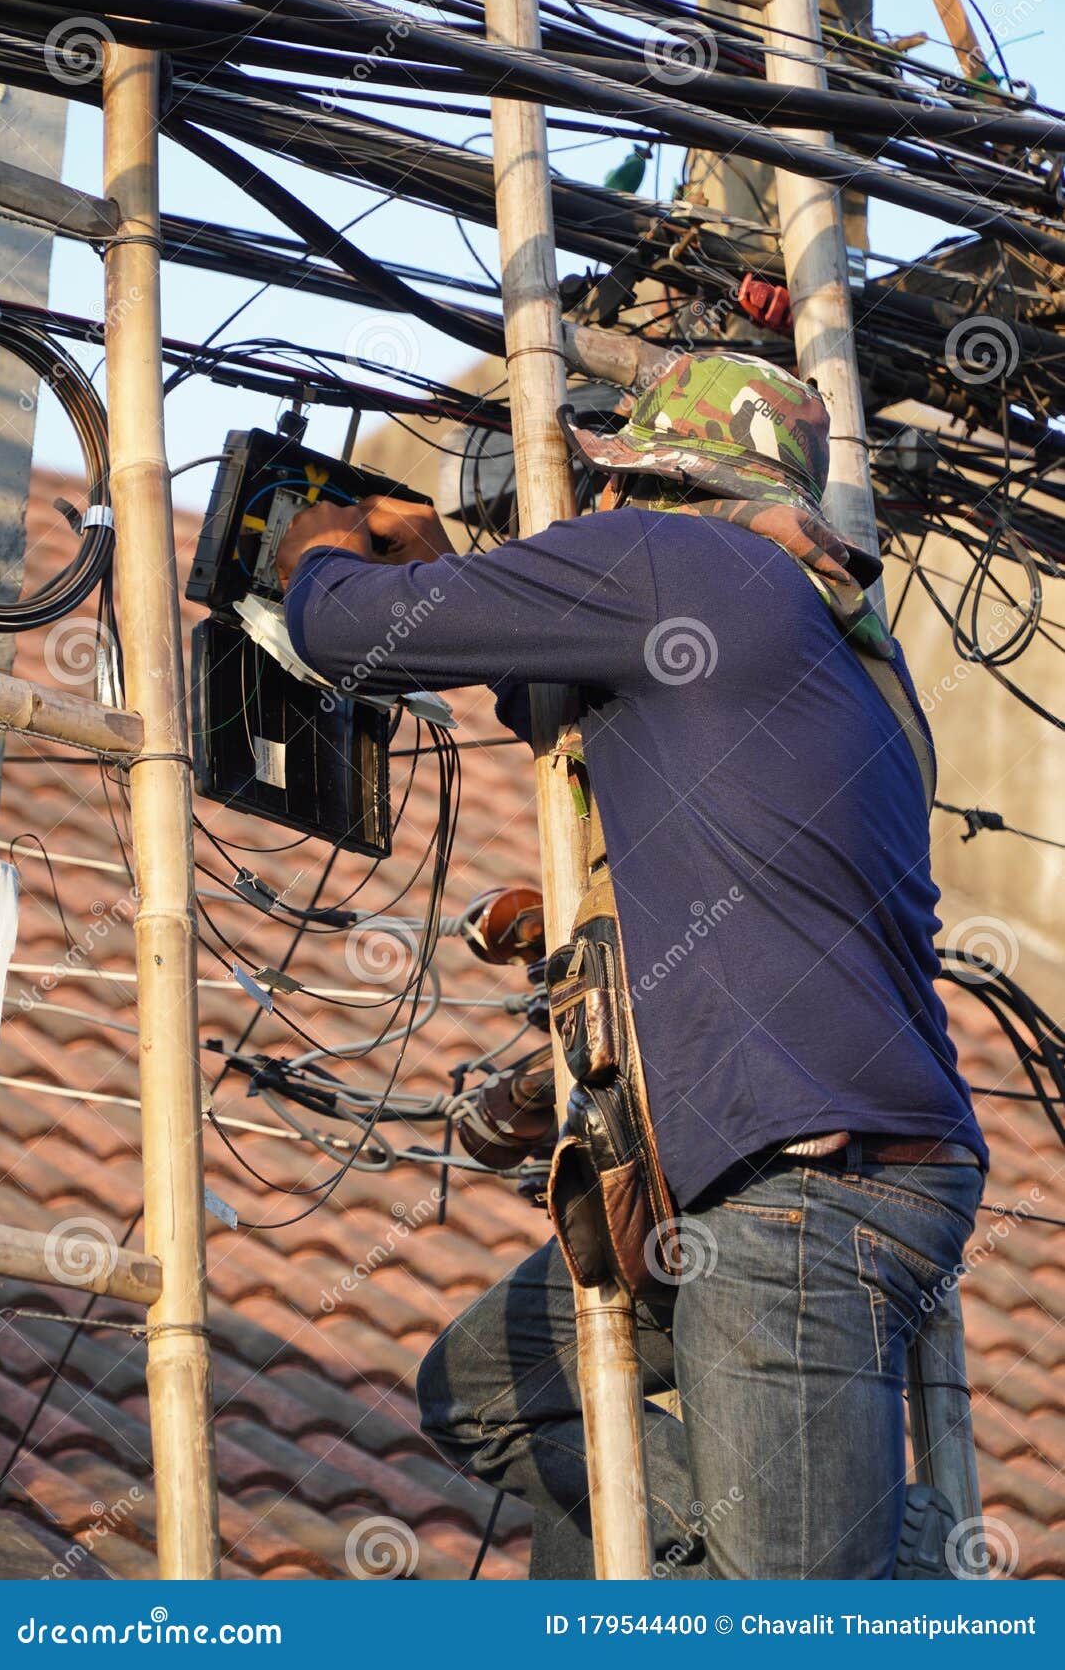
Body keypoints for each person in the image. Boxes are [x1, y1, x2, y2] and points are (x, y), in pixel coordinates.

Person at [278, 352, 987, 1580]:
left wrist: (318, 549)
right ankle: (819, 1550)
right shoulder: (833, 641)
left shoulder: (675, 562)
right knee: (490, 1388)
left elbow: (348, 632)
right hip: (777, 1176)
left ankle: (889, 1568)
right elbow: (549, 675)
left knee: (788, 1624)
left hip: (803, 1190)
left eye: (612, 489)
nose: (595, 516)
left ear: (661, 483)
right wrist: (468, 574)